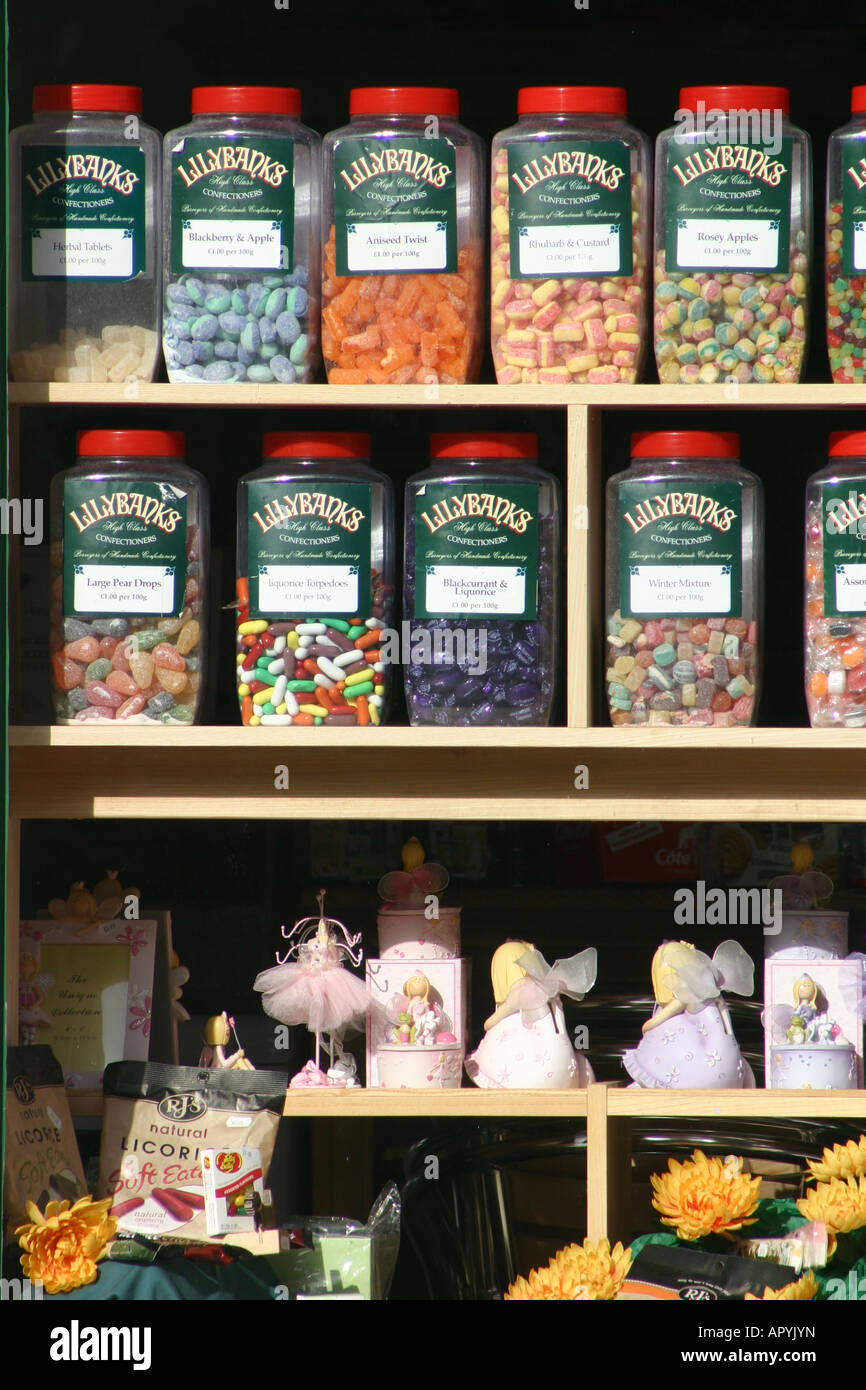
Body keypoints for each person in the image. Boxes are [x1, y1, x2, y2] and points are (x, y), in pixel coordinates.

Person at [623, 940, 755, 1089]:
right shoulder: (710, 995)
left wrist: (652, 1023)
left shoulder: (688, 992)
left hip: (699, 1066)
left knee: (669, 1045)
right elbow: (726, 1021)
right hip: (725, 1060)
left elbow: (677, 1004)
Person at [465, 940, 596, 1090]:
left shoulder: (519, 993)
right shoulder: (549, 993)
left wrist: (488, 1023)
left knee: (493, 1050)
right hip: (563, 1071)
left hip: (528, 1074)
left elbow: (489, 1024)